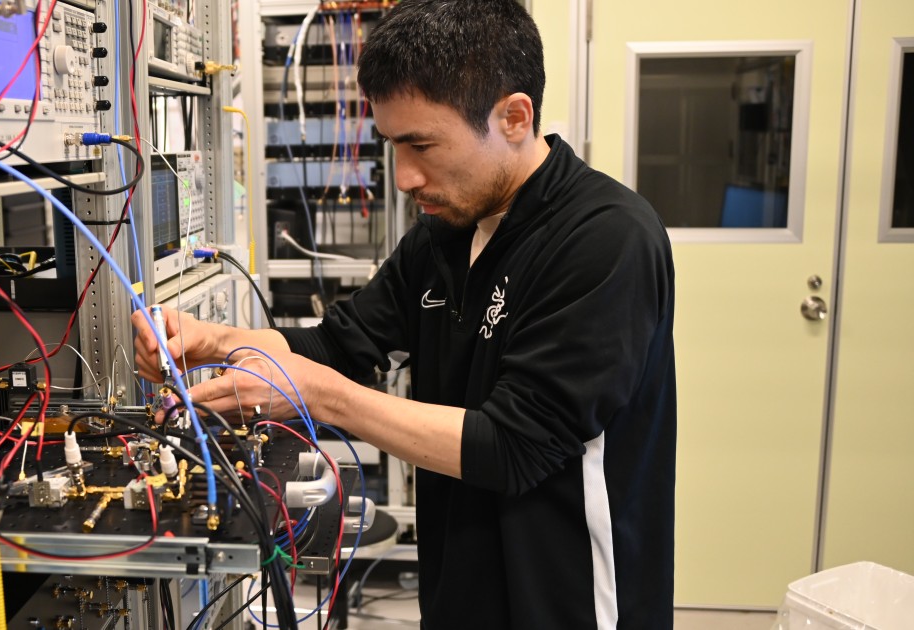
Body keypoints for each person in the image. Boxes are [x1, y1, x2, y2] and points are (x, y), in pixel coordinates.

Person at [133, 0, 676, 626]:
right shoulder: (443, 235)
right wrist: (216, 340)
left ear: (514, 116)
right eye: (392, 144)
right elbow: (339, 348)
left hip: (569, 601)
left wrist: (322, 396)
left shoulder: (606, 238)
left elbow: (513, 446)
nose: (404, 177)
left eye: (422, 144)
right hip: (457, 590)